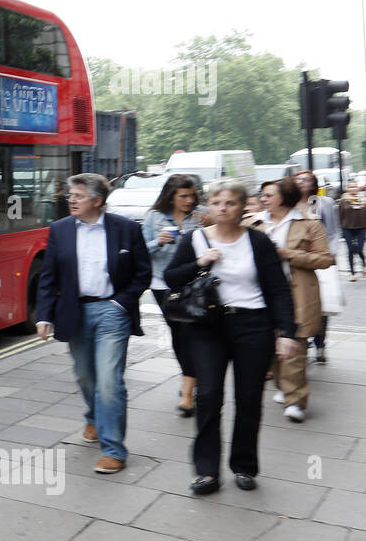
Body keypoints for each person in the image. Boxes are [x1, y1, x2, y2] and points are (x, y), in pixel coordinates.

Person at [164, 180, 297, 493]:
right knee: (208, 396)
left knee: (248, 399)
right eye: (216, 203)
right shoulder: (193, 239)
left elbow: (278, 288)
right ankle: (207, 471)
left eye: (230, 203)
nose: (222, 209)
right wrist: (200, 262)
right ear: (208, 206)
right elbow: (171, 278)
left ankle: (244, 466)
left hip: (253, 325)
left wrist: (287, 332)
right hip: (208, 327)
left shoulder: (258, 242)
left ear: (242, 207)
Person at [35, 173, 151, 474]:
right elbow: (49, 277)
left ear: (97, 201)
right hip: (75, 311)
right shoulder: (60, 230)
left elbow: (143, 272)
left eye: (78, 195)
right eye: (71, 195)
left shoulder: (126, 229)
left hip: (112, 311)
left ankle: (113, 450)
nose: (71, 200)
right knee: (86, 376)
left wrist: (120, 303)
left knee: (110, 381)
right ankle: (94, 417)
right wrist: (44, 315)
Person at [252, 177, 333, 423]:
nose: (263, 199)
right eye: (262, 195)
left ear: (284, 197)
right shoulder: (253, 223)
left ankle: (295, 400)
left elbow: (325, 259)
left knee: (294, 344)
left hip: (297, 292)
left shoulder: (309, 223)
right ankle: (283, 385)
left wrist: (289, 254)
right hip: (259, 294)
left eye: (269, 195)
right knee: (271, 344)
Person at [141, 174, 207, 415]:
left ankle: (189, 388)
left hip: (195, 283)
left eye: (191, 195)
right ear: (171, 196)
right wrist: (157, 242)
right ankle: (190, 381)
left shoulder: (202, 214)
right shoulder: (154, 217)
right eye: (183, 196)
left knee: (193, 333)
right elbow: (141, 250)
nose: (189, 200)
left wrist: (207, 225)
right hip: (163, 284)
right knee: (179, 333)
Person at [294, 168, 340, 362]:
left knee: (322, 304)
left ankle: (320, 344)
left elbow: (333, 232)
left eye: (305, 180)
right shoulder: (289, 205)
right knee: (301, 303)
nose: (301, 182)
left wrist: (330, 254)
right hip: (298, 261)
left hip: (320, 260)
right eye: (298, 179)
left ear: (313, 184)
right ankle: (303, 341)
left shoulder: (323, 203)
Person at [337, 179, 366, 281]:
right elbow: (340, 215)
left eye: (354, 186)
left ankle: (363, 265)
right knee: (350, 250)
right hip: (347, 228)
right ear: (347, 189)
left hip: (361, 228)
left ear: (357, 188)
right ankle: (352, 273)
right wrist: (343, 226)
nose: (352, 188)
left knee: (359, 249)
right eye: (350, 187)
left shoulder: (363, 199)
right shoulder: (343, 201)